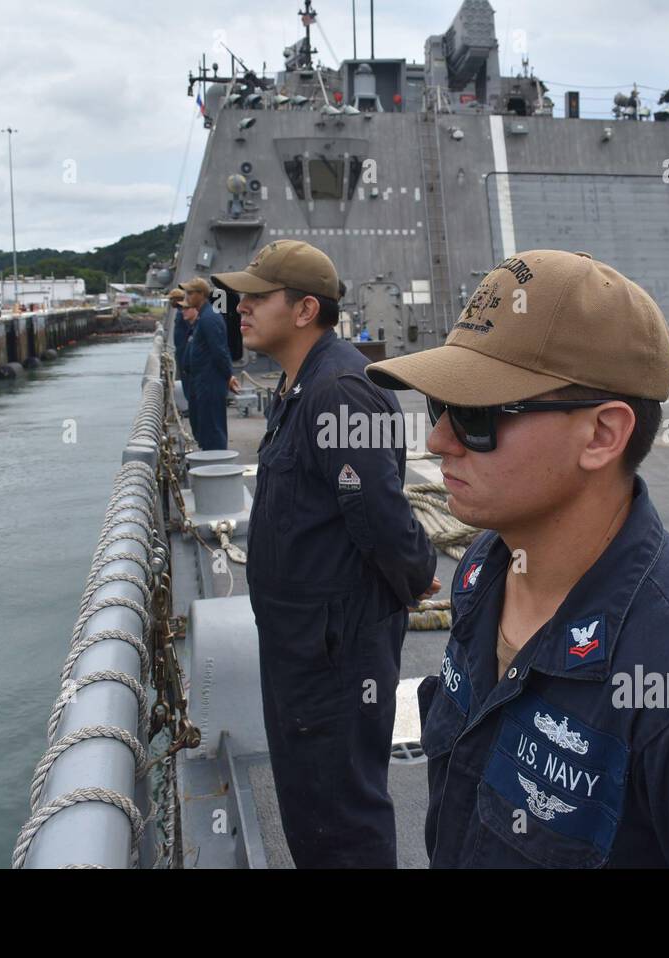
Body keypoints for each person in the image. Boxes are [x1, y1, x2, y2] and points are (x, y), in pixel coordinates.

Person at [366, 249, 669, 869]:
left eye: (476, 414)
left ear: (602, 434)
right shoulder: (488, 568)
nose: (437, 440)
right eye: (439, 407)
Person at [210, 240, 439, 868]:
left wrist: (415, 576)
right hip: (303, 641)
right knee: (310, 802)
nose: (242, 308)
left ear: (306, 308)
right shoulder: (300, 383)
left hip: (334, 648)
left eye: (257, 297)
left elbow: (380, 509)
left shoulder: (338, 390)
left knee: (340, 810)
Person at [179, 276, 238, 450]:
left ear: (201, 294)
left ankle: (217, 466)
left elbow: (220, 351)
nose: (187, 297)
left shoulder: (209, 318)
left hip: (210, 382)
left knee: (213, 428)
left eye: (190, 293)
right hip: (201, 381)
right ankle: (209, 460)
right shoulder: (203, 317)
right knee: (204, 427)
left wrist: (228, 376)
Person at [168, 288, 195, 428]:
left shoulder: (181, 314)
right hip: (181, 352)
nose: (169, 302)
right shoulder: (181, 313)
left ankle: (190, 408)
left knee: (187, 382)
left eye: (171, 299)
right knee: (185, 383)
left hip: (183, 353)